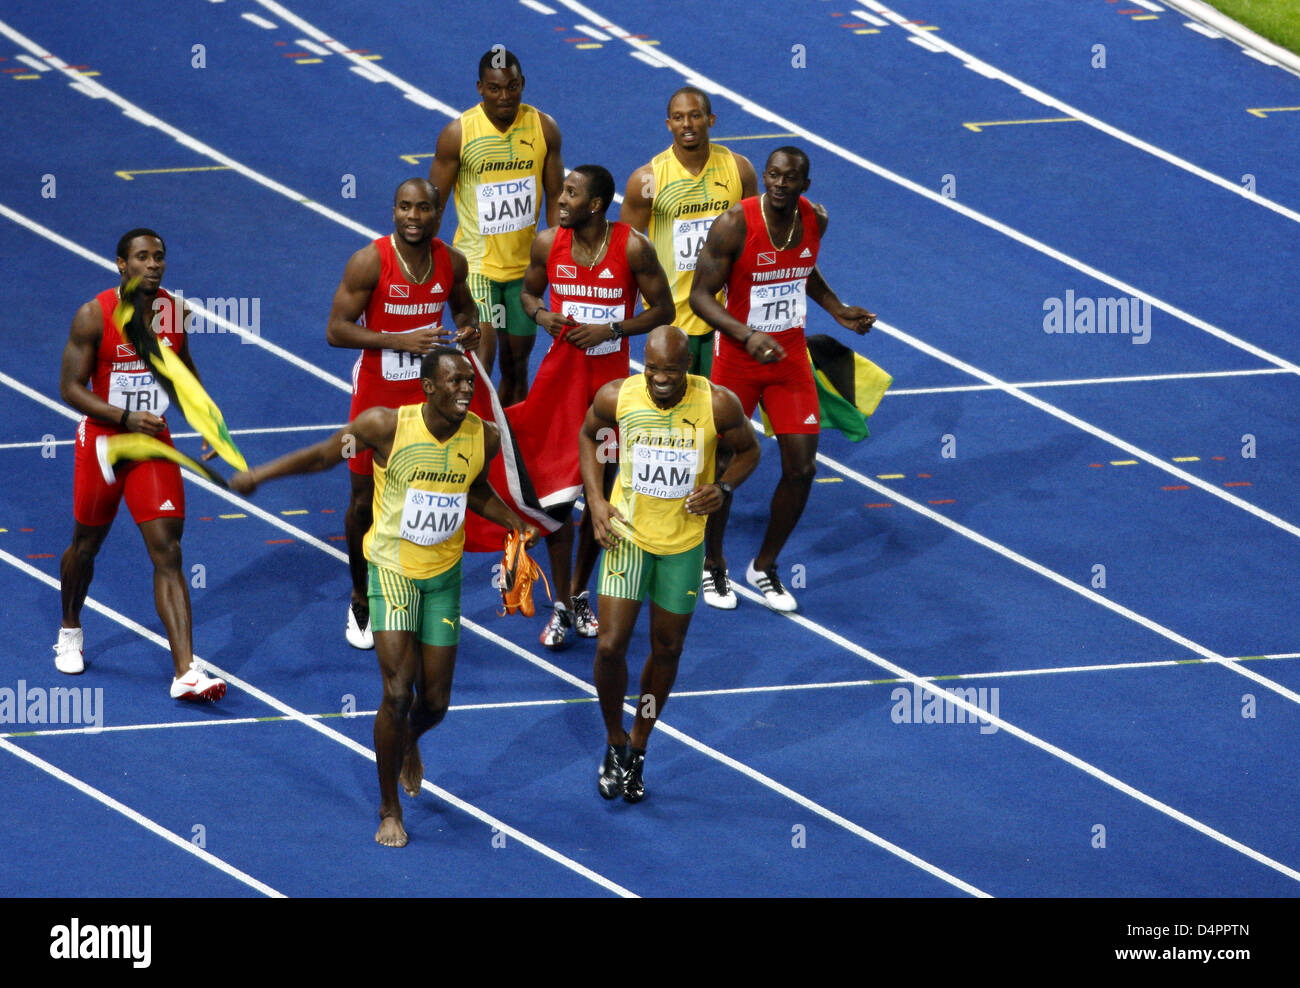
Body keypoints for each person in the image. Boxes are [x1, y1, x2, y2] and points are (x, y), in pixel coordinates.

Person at [231, 348, 538, 847]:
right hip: (392, 571)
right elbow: (323, 455)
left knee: (434, 704)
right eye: (455, 382)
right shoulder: (383, 426)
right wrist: (260, 476)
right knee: (398, 692)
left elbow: (473, 489)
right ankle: (389, 808)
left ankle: (411, 741)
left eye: (469, 382)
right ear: (428, 388)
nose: (466, 389)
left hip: (443, 577)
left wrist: (514, 522)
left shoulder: (484, 434)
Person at [689, 147, 876, 612]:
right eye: (772, 175)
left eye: (789, 178)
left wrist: (837, 310)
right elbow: (699, 297)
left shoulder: (816, 219)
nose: (778, 183)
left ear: (804, 186)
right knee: (726, 460)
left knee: (802, 467)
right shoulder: (734, 223)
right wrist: (746, 334)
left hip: (789, 355)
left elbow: (802, 268)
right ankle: (713, 564)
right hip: (737, 356)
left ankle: (764, 566)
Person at [578, 326, 760, 801]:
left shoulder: (717, 404)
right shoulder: (618, 395)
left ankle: (639, 746)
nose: (660, 379)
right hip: (627, 538)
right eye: (653, 369)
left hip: (682, 546)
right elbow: (589, 435)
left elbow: (749, 451)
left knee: (667, 650)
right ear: (644, 362)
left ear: (688, 369)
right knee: (610, 646)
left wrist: (723, 488)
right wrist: (596, 500)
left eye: (672, 372)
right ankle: (614, 740)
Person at [54, 229, 227, 702]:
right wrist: (125, 416)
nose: (153, 265)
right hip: (105, 447)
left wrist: (206, 418)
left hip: (153, 443)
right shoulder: (95, 314)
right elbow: (71, 388)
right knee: (85, 547)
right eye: (143, 257)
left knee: (167, 549)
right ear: (121, 264)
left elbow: (183, 368)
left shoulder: (173, 310)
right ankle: (70, 626)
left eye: (160, 257)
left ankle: (185, 670)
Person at [518, 165, 674, 650]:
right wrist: (543, 315)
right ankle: (563, 603)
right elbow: (527, 294)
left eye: (570, 194)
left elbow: (663, 310)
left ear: (596, 205)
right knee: (556, 497)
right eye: (562, 191)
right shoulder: (548, 243)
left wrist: (613, 331)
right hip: (559, 384)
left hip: (608, 392)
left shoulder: (632, 247)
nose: (560, 200)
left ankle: (579, 591)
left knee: (599, 494)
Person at [326, 178, 481, 650]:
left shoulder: (451, 261)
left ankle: (412, 584)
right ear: (394, 211)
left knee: (423, 490)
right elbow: (336, 330)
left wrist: (470, 330)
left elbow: (465, 310)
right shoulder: (371, 260)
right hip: (375, 393)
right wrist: (399, 340)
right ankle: (360, 597)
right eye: (404, 208)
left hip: (426, 398)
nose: (413, 217)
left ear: (439, 214)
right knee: (363, 498)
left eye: (423, 209)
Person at [430, 47, 564, 406]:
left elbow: (555, 196)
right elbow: (434, 206)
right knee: (480, 364)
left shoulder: (543, 128)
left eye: (512, 87)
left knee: (517, 366)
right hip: (478, 268)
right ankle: (473, 452)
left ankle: (508, 450)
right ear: (479, 88)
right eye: (494, 88)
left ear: (522, 84)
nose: (504, 96)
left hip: (524, 271)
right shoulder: (458, 135)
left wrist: (559, 250)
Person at [619, 86, 757, 377]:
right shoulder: (648, 179)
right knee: (678, 404)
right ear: (669, 124)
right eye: (679, 117)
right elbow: (626, 250)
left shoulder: (739, 169)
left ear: (711, 119)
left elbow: (754, 238)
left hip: (728, 313)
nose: (687, 124)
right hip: (673, 315)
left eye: (695, 115)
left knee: (723, 405)